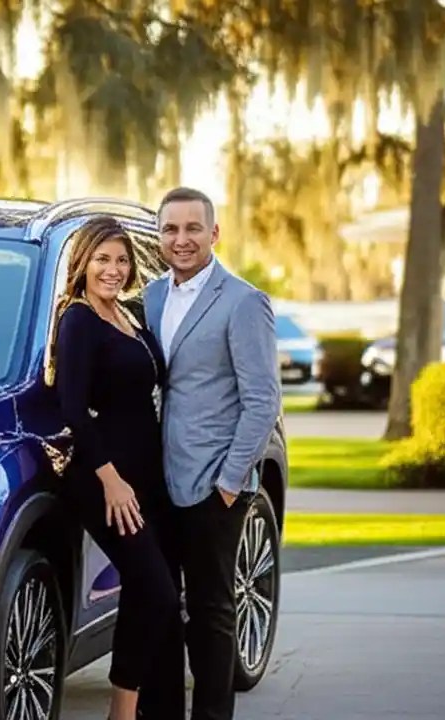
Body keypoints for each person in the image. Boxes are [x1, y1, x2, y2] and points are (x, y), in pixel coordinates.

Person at [143, 187, 282, 720]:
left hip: (213, 488)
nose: (181, 240)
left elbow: (262, 399)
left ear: (214, 233)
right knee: (158, 609)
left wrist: (229, 482)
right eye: (170, 230)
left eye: (192, 228)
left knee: (210, 616)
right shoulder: (152, 297)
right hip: (157, 482)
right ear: (160, 238)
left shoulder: (244, 301)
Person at [53, 215, 184, 720]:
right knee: (157, 592)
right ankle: (122, 710)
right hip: (106, 479)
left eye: (122, 260)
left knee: (147, 588)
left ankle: (152, 709)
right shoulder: (78, 320)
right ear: (83, 264)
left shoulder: (129, 315)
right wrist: (109, 479)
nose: (113, 269)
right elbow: (71, 407)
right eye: (102, 259)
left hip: (149, 475)